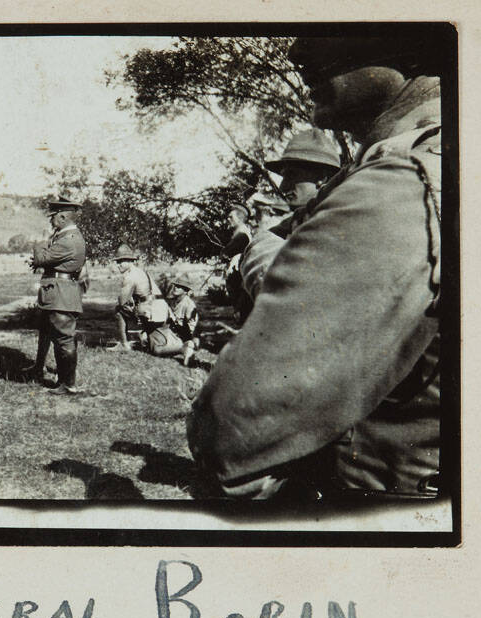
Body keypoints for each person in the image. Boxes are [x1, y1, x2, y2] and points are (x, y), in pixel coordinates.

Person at [187, 36, 442, 499]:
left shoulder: (399, 185)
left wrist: (257, 244)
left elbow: (233, 429)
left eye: (327, 27)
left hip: (378, 519)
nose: (295, 53)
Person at [240, 130, 342, 301]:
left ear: (322, 178)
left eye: (292, 175)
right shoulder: (289, 224)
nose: (283, 186)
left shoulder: (342, 220)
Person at [25, 196, 87, 395]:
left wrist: (41, 242)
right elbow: (46, 261)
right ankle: (54, 376)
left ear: (61, 217)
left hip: (61, 295)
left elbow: (42, 257)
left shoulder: (68, 241)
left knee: (64, 340)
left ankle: (68, 385)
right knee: (54, 335)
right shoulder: (64, 238)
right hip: (58, 292)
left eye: (52, 217)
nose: (51, 221)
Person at [107, 244, 164, 352]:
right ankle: (145, 338)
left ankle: (124, 344)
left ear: (129, 261)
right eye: (117, 262)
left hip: (148, 309)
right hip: (159, 307)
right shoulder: (141, 271)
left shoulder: (130, 277)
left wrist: (131, 306)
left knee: (118, 310)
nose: (118, 265)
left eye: (121, 262)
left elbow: (122, 301)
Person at [164, 272, 200, 367]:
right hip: (171, 331)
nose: (176, 288)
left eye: (180, 287)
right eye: (176, 285)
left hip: (182, 336)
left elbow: (193, 329)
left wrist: (191, 342)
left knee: (157, 348)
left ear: (185, 291)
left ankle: (186, 350)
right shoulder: (173, 301)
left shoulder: (189, 305)